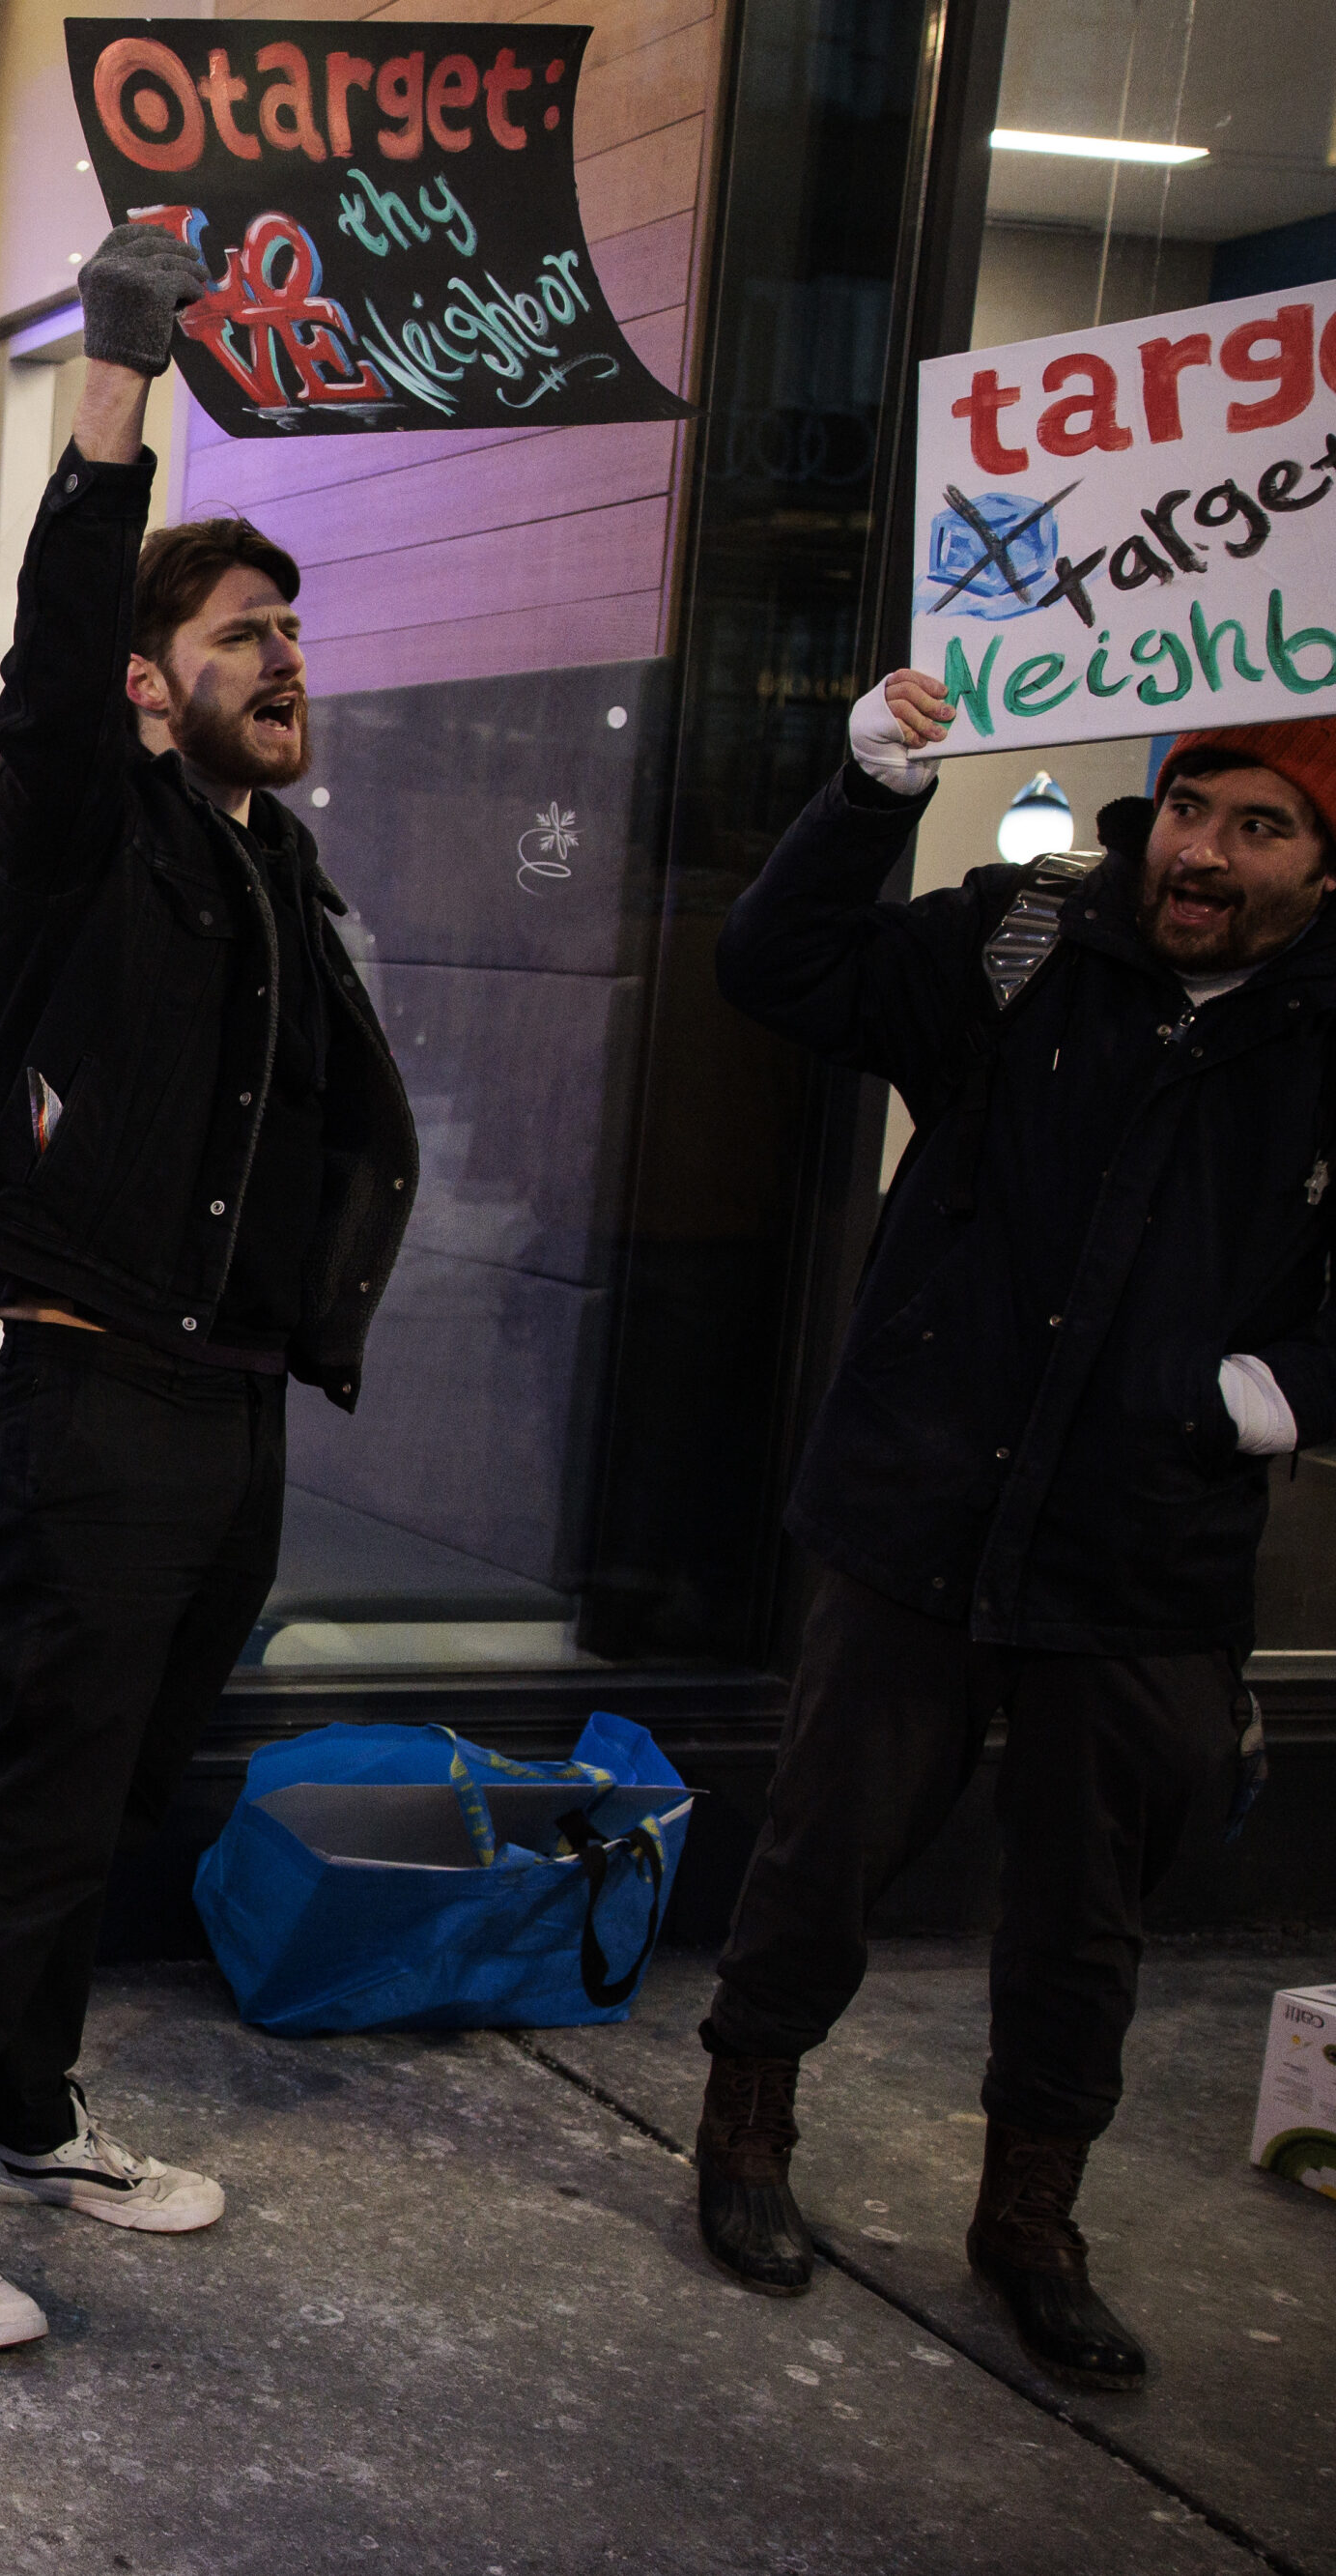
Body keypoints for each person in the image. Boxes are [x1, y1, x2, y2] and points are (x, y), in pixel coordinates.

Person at [0, 221, 417, 2352]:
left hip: (227, 1395)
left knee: (129, 1782)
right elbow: (62, 648)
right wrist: (113, 392)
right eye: (244, 635)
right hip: (93, 1398)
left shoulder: (270, 866)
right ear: (160, 687)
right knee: (41, 1789)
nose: (284, 662)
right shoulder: (90, 826)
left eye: (291, 634)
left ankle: (16, 2107)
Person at [693, 683, 1336, 2390]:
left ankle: (1031, 2213)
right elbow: (777, 971)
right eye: (1195, 805)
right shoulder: (1025, 932)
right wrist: (868, 787)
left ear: (1326, 871)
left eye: (1260, 826)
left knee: (1084, 1917)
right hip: (921, 1500)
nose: (1203, 852)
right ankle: (745, 2131)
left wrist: (1268, 1394)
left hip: (1144, 1553)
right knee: (822, 1846)